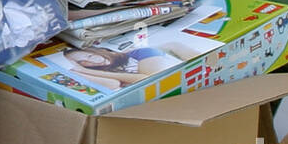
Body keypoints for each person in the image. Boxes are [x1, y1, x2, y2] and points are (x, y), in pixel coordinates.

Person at [59, 41, 198, 91]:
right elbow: (112, 84)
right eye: (83, 62)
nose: (93, 61)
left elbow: (149, 78)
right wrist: (80, 72)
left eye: (89, 56)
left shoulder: (137, 53)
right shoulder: (103, 71)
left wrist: (83, 69)